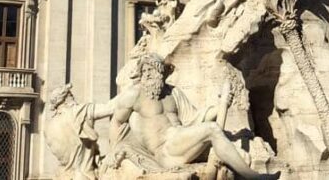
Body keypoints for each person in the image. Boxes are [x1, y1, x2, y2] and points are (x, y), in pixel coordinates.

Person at [88, 53, 277, 180]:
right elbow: (117, 122)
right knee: (212, 130)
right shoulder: (134, 94)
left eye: (151, 70)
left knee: (233, 144)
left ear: (161, 72)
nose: (147, 74)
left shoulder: (173, 93)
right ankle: (254, 177)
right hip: (165, 151)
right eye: (144, 71)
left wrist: (221, 105)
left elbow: (196, 117)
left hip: (181, 141)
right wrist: (114, 151)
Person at [44, 84, 100, 180]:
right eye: (70, 94)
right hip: (82, 174)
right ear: (64, 99)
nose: (73, 96)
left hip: (64, 173)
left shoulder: (48, 126)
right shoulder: (77, 113)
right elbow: (110, 108)